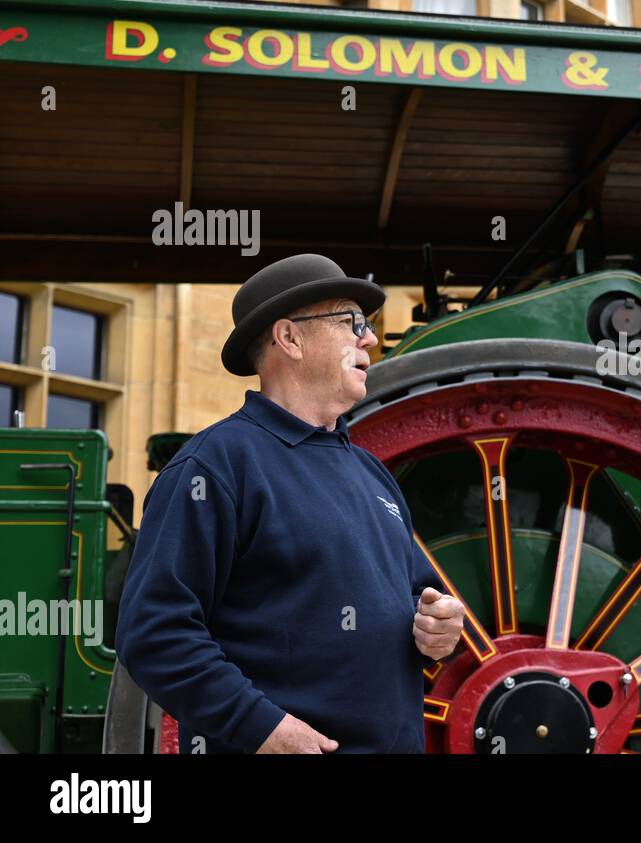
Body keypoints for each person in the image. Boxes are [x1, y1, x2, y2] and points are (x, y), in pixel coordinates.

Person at [116, 253, 465, 754]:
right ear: (289, 338)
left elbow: (417, 603)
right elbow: (154, 633)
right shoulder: (215, 466)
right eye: (352, 322)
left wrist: (436, 626)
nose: (370, 339)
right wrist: (260, 728)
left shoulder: (373, 475)